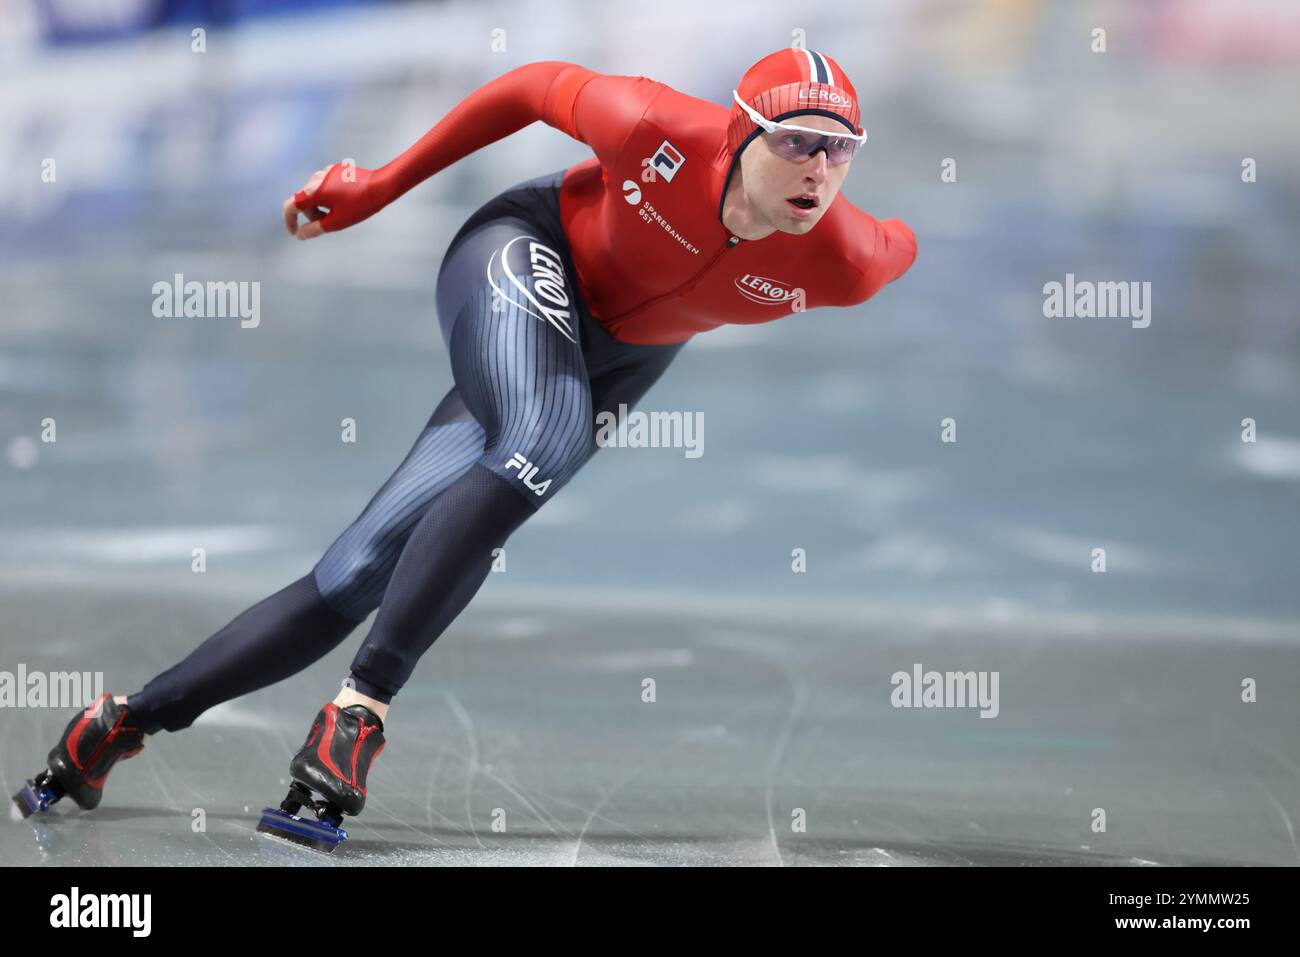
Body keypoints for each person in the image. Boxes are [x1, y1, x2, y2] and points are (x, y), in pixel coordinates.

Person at [15, 49, 916, 827]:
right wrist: (378, 184)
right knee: (543, 431)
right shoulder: (653, 125)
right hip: (526, 252)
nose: (819, 169)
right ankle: (359, 712)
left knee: (359, 570)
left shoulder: (847, 257)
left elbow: (900, 242)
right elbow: (528, 87)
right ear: (738, 131)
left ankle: (123, 722)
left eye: (840, 150)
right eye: (798, 139)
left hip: (621, 360)